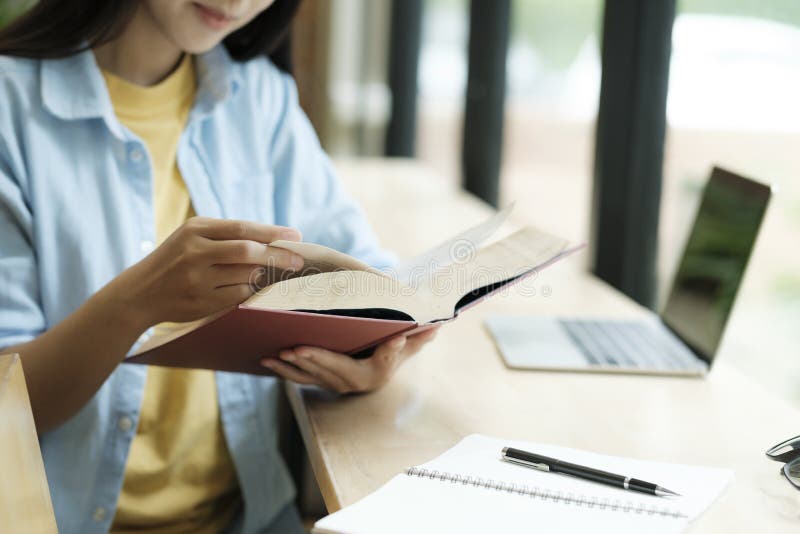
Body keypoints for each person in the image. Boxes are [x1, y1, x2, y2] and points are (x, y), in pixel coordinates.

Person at [0, 1, 438, 532]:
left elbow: (364, 275)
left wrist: (374, 358)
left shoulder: (260, 100)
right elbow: (7, 403)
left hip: (248, 519)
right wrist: (135, 303)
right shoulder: (10, 110)